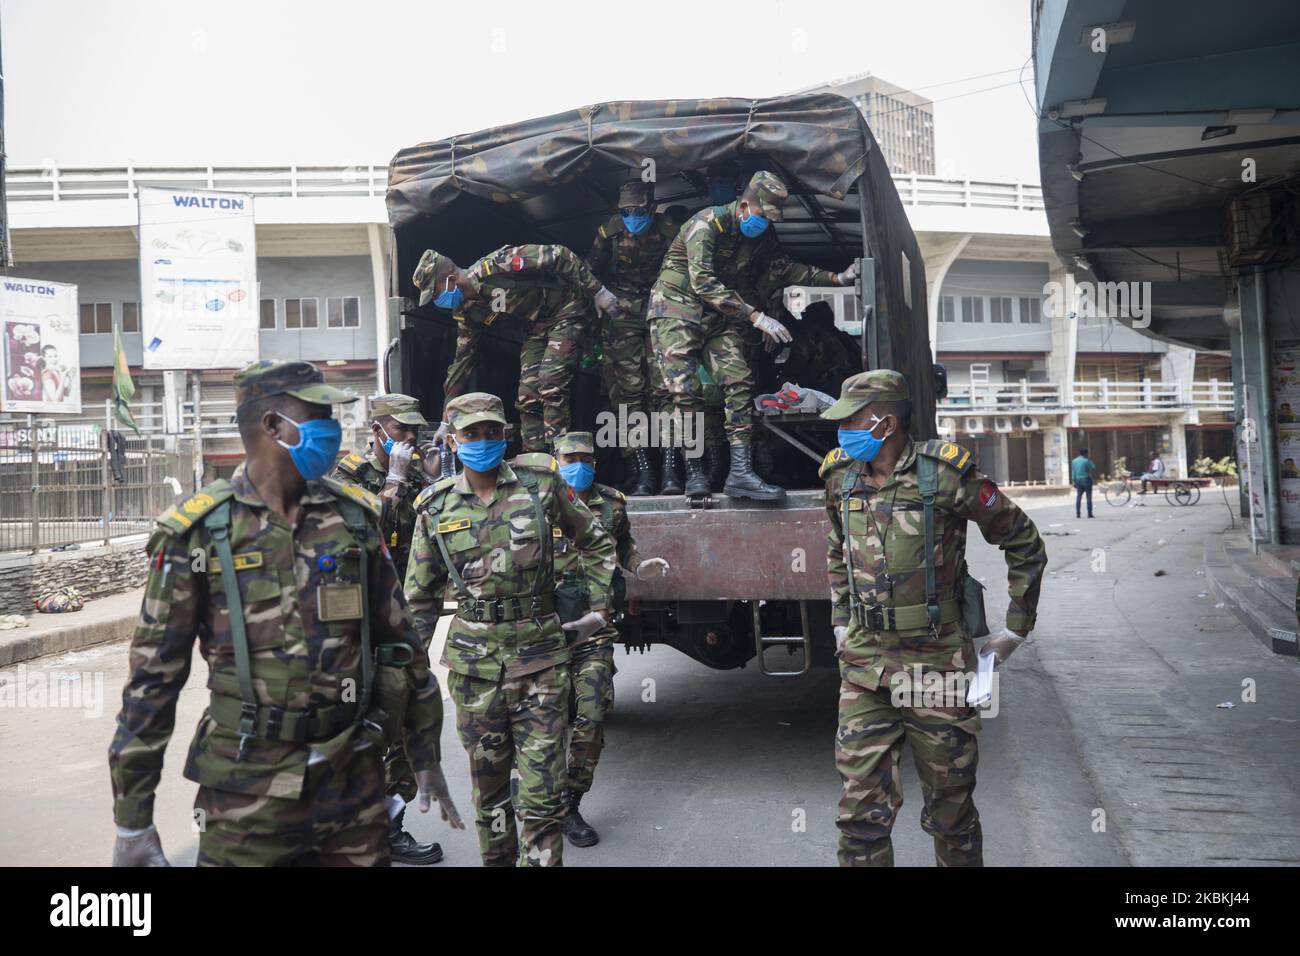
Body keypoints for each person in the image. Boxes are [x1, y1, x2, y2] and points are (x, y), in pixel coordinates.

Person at [108, 360, 462, 867]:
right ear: (273, 425)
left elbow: (403, 648)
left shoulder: (353, 519)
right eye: (317, 415)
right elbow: (151, 683)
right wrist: (132, 820)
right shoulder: (200, 533)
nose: (333, 429)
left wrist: (424, 756)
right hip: (245, 795)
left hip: (352, 784)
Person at [819, 369, 1047, 867]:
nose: (842, 431)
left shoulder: (944, 474)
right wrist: (841, 618)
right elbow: (837, 549)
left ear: (885, 421)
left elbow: (1023, 541)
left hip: (937, 667)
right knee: (860, 818)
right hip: (864, 667)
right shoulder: (840, 476)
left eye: (852, 419)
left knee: (951, 813)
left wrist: (1015, 628)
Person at [403, 392, 617, 866]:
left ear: (506, 434)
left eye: (491, 432)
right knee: (491, 798)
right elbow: (419, 600)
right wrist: (410, 679)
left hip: (540, 661)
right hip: (474, 672)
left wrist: (601, 609)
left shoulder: (540, 484)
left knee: (543, 798)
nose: (482, 440)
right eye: (471, 433)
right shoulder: (434, 507)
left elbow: (596, 541)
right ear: (453, 440)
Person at [648, 170, 857, 500]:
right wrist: (757, 316)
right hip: (676, 308)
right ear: (744, 205)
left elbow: (784, 268)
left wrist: (838, 278)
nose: (765, 223)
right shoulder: (706, 224)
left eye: (771, 218)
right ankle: (695, 474)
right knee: (685, 392)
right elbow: (702, 282)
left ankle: (740, 473)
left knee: (739, 380)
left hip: (719, 315)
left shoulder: (761, 236)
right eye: (762, 215)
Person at [331, 392, 444, 864]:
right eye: (402, 430)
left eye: (415, 430)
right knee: (361, 717)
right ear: (378, 430)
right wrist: (393, 485)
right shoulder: (345, 478)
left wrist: (437, 484)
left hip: (408, 609)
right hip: (360, 614)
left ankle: (391, 823)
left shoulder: (419, 473)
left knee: (408, 713)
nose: (411, 439)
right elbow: (353, 536)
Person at [551, 431, 669, 845]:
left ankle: (569, 802)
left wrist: (640, 565)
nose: (578, 464)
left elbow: (624, 546)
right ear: (555, 457)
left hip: (595, 629)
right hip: (542, 632)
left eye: (586, 457)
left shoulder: (612, 504)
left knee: (592, 714)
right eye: (570, 456)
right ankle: (537, 793)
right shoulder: (535, 501)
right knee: (544, 722)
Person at [412, 245, 623, 451]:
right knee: (527, 395)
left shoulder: (497, 265)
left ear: (449, 279)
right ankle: (534, 460)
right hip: (537, 326)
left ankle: (559, 456)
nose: (437, 301)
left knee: (550, 383)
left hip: (567, 309)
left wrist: (597, 291)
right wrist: (445, 422)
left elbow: (561, 255)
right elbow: (460, 366)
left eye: (435, 294)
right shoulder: (467, 311)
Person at [586, 179, 679, 495]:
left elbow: (684, 271)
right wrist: (598, 297)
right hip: (620, 311)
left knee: (666, 389)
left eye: (637, 210)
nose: (631, 216)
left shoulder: (668, 231)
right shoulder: (609, 232)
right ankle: (643, 473)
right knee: (629, 395)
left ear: (651, 208)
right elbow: (589, 272)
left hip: (659, 306)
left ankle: (670, 472)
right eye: (625, 211)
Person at [1071, 447, 1098, 518]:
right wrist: (1089, 459)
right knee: (1088, 497)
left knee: (1079, 497)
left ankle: (1078, 513)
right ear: (1086, 453)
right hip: (1086, 480)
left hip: (1077, 480)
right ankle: (1089, 513)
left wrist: (1074, 481)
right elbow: (1093, 467)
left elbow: (1073, 472)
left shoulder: (1074, 461)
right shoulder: (1086, 461)